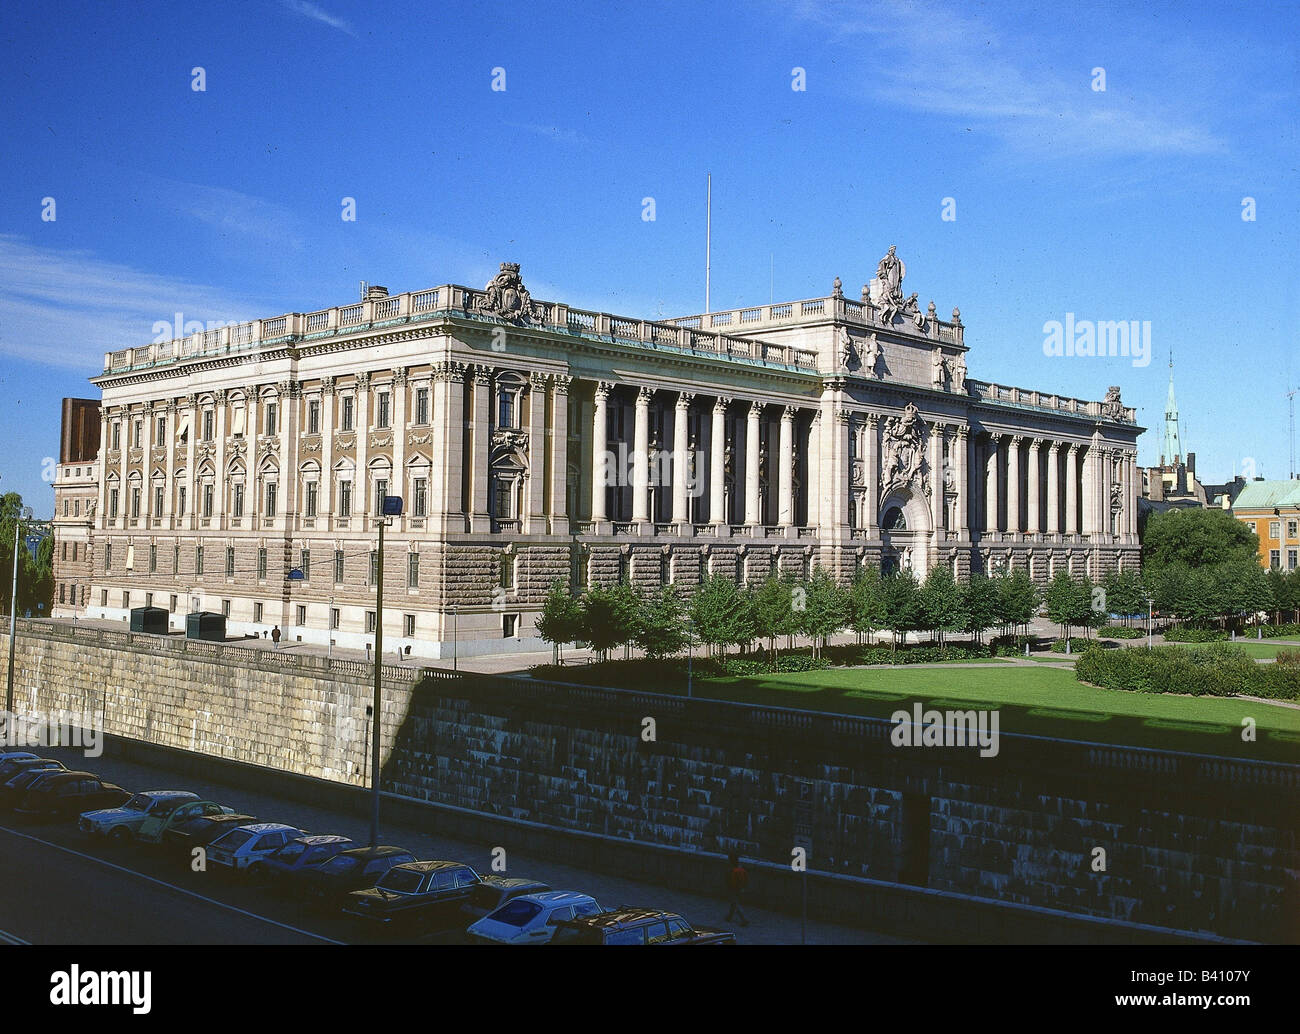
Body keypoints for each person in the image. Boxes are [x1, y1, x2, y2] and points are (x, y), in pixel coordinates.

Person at [725, 853, 750, 926]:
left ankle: (744, 919)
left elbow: (729, 880)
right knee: (734, 903)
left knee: (735, 904)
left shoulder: (731, 869)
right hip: (740, 888)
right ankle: (729, 917)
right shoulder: (741, 868)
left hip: (733, 888)